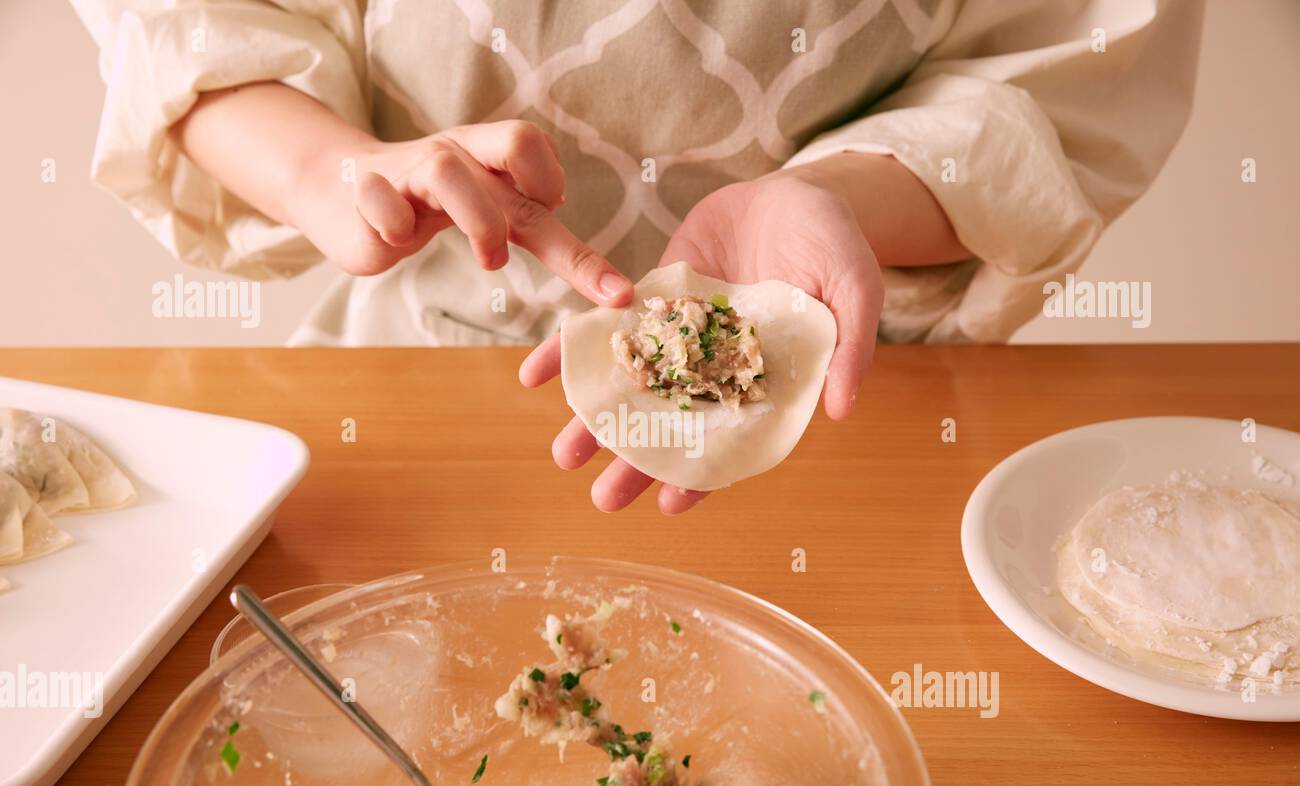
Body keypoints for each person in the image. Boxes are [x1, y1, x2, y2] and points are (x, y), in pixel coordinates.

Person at [72, 0, 1202, 513]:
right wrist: (333, 172)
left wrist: (827, 198)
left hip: (851, 409)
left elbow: (1068, 76)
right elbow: (185, 24)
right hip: (408, 403)